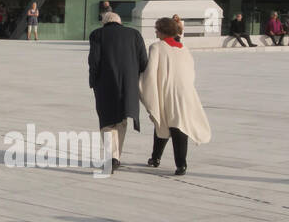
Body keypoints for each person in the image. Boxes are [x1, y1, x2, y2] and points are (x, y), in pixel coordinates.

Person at [141, 17, 212, 176]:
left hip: (168, 91)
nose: (155, 31)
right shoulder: (184, 49)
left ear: (163, 31)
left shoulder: (156, 47)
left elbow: (150, 73)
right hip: (185, 92)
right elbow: (190, 72)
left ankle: (167, 161)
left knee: (166, 123)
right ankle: (172, 162)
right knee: (175, 124)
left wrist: (142, 84)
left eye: (157, 28)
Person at [88, 11, 149, 172]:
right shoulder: (135, 34)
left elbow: (94, 60)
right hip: (129, 84)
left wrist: (92, 81)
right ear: (119, 21)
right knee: (122, 119)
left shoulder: (97, 34)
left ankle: (111, 157)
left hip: (105, 83)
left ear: (104, 22)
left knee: (107, 121)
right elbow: (144, 62)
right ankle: (116, 157)